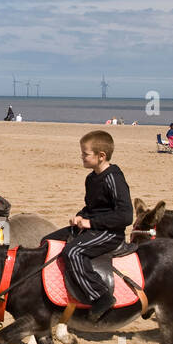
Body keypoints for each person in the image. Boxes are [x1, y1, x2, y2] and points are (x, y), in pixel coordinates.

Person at [47, 130, 132, 322]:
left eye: (85, 154)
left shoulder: (114, 178)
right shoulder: (91, 178)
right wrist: (80, 216)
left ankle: (101, 296)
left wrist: (91, 222)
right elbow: (93, 207)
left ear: (101, 156)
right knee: (48, 242)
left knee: (73, 252)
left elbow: (125, 216)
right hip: (93, 227)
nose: (82, 157)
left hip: (110, 233)